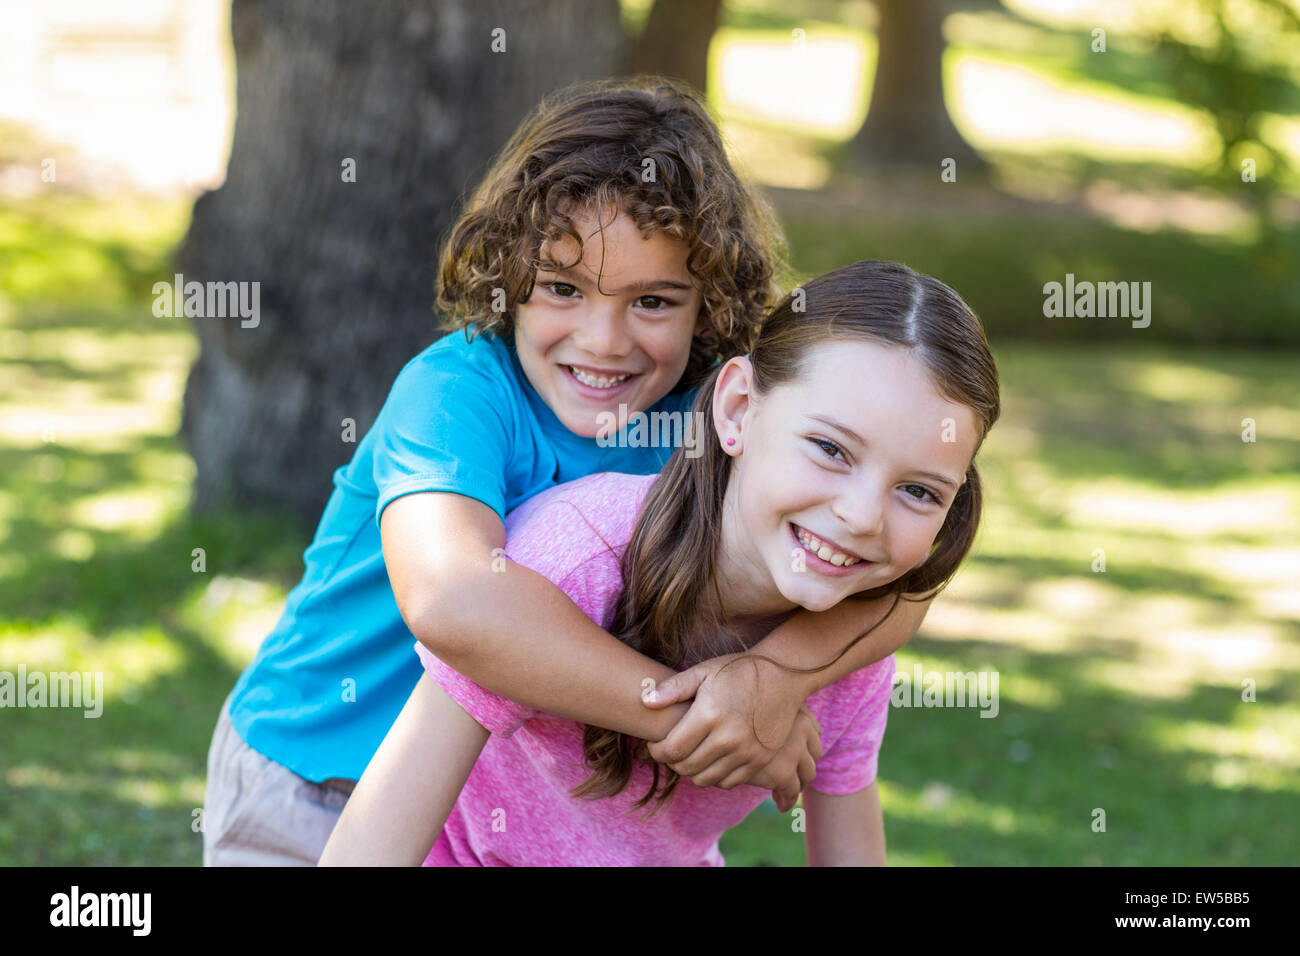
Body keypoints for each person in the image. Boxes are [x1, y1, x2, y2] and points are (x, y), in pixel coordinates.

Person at [204, 78, 930, 866]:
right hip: (319, 780)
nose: (604, 340)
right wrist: (683, 714)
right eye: (561, 288)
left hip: (492, 813)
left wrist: (771, 679)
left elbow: (899, 579)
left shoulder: (713, 414)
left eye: (654, 301)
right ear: (508, 279)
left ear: (708, 305)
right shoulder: (456, 394)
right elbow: (457, 603)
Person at [319, 259, 1002, 866]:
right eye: (830, 448)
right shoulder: (578, 558)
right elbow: (372, 844)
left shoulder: (847, 646)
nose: (861, 515)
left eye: (918, 491)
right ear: (737, 409)